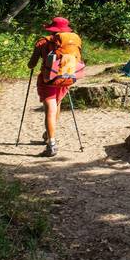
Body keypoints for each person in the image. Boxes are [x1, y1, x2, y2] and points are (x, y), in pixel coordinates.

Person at [27, 16, 82, 157]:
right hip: (66, 78)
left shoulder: (42, 43)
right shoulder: (72, 42)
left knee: (50, 110)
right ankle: (48, 134)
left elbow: (31, 64)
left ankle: (51, 144)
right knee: (56, 105)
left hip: (48, 80)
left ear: (52, 29)